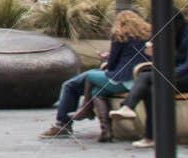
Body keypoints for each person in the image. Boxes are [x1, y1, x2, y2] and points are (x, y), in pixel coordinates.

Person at [42, 9, 151, 139]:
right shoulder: (147, 35)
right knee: (96, 91)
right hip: (141, 79)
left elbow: (112, 64)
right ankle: (106, 131)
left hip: (122, 80)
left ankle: (68, 121)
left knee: (75, 82)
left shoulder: (120, 35)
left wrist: (106, 59)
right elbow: (133, 56)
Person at [112, 19, 188, 148]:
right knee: (151, 88)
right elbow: (174, 59)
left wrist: (167, 74)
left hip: (184, 76)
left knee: (147, 77)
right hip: (177, 75)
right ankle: (150, 136)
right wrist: (155, 54)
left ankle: (128, 107)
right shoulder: (175, 34)